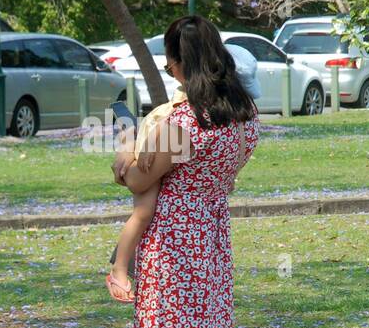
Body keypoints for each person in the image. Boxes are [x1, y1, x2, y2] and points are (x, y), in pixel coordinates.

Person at [111, 16, 260, 328]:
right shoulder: (242, 113)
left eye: (171, 59)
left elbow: (138, 181)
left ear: (180, 61)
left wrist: (123, 156)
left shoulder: (182, 123)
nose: (169, 68)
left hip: (174, 246)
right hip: (213, 240)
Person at [106, 41, 262, 302]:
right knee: (143, 213)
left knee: (143, 212)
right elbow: (165, 123)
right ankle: (120, 267)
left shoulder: (199, 117)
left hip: (182, 236)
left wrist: (126, 153)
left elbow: (136, 181)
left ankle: (120, 268)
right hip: (208, 236)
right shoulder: (243, 120)